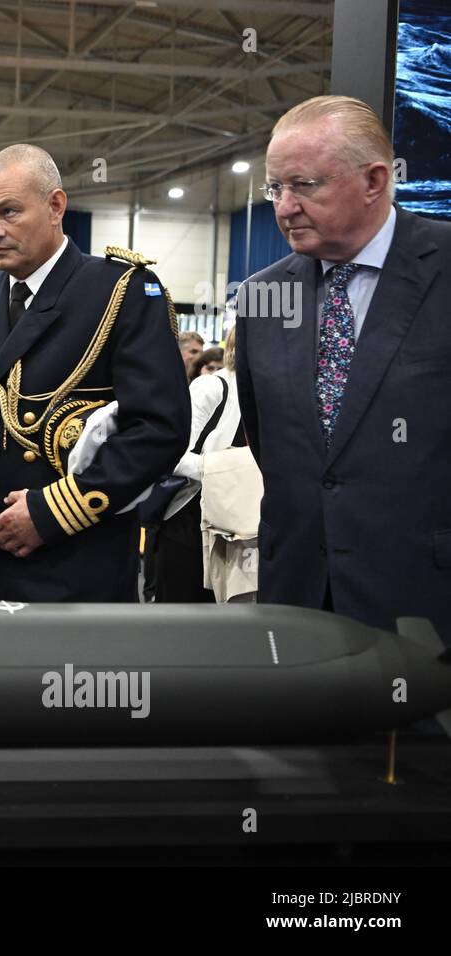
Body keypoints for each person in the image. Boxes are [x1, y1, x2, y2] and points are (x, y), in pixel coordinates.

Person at [0, 144, 190, 603]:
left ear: (55, 206)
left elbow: (158, 429)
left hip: (80, 561)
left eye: (8, 212)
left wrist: (53, 513)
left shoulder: (122, 292)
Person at [236, 94, 451, 640]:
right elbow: (275, 445)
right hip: (298, 598)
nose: (284, 207)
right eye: (275, 188)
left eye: (304, 185)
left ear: (375, 180)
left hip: (425, 602)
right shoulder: (263, 296)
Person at [155, 327, 245, 603]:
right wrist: (227, 472)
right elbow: (172, 452)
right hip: (193, 519)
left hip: (243, 527)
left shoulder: (271, 394)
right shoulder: (213, 386)